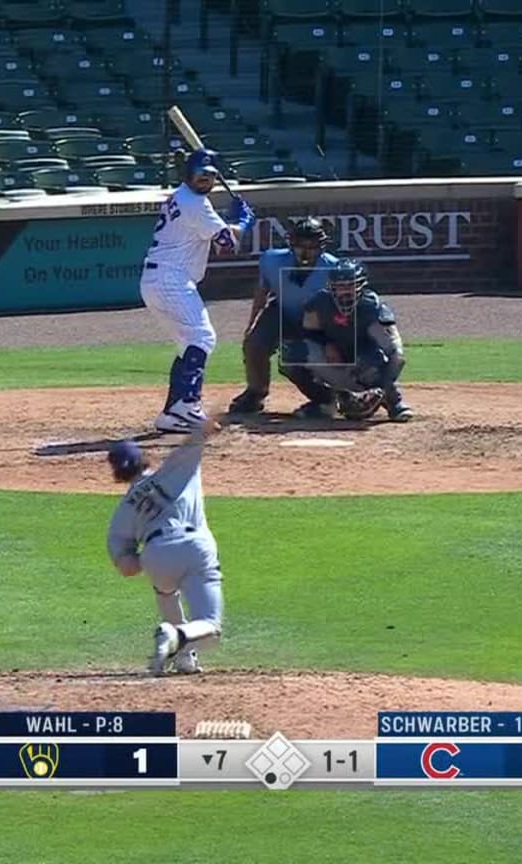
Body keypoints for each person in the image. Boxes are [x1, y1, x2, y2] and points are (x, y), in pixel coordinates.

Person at [140, 149, 256, 433]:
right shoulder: (195, 204)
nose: (205, 180)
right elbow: (227, 243)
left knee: (188, 342)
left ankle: (172, 414)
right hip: (171, 279)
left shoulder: (185, 198)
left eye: (211, 176)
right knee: (203, 336)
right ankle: (187, 406)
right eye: (201, 175)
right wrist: (243, 222)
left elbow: (216, 239)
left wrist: (230, 222)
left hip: (159, 279)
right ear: (187, 174)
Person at [105, 415, 226, 676]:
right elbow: (200, 434)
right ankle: (178, 636)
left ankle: (184, 659)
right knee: (210, 626)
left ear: (118, 473)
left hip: (154, 553)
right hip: (195, 546)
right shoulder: (175, 468)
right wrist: (211, 423)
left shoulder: (123, 511)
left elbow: (127, 567)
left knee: (165, 592)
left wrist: (152, 556)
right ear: (145, 457)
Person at [227, 217, 340, 415]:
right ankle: (256, 392)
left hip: (317, 320)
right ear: (291, 245)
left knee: (292, 362)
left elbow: (339, 307)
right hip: (282, 310)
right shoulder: (271, 260)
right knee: (255, 343)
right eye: (300, 246)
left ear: (321, 246)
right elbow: (262, 291)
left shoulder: (333, 268)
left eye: (312, 246)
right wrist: (252, 322)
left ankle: (326, 396)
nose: (305, 252)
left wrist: (333, 338)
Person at [280, 258, 413, 421]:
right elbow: (308, 332)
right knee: (291, 354)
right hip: (334, 359)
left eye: (349, 286)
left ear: (360, 286)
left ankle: (393, 402)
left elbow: (396, 354)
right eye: (339, 287)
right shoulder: (319, 303)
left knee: (369, 363)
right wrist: (327, 344)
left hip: (364, 361)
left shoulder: (372, 308)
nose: (344, 292)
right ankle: (326, 402)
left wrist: (382, 388)